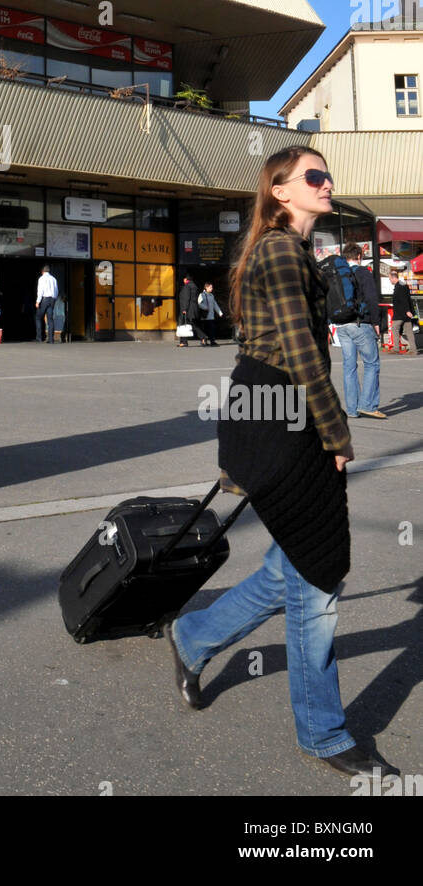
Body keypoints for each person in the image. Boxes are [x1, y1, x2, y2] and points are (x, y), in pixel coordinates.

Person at [164, 146, 398, 780]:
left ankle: (193, 638)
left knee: (297, 567)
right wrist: (337, 434)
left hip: (272, 415)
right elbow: (300, 354)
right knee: (318, 575)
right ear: (280, 191)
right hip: (280, 421)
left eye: (328, 174)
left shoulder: (292, 253)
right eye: (313, 177)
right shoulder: (276, 250)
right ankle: (323, 733)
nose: (327, 184)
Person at [338, 244, 385, 417]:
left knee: (349, 367)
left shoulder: (339, 274)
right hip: (360, 323)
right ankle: (368, 405)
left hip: (342, 326)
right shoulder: (363, 272)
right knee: (372, 363)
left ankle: (351, 409)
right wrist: (376, 322)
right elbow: (372, 298)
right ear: (358, 256)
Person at [388, 269, 418, 354]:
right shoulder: (403, 285)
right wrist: (409, 311)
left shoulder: (399, 287)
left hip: (400, 313)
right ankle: (413, 349)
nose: (390, 281)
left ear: (393, 278)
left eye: (390, 279)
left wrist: (407, 310)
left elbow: (404, 299)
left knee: (394, 328)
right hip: (405, 313)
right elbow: (408, 299)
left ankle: (396, 349)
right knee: (408, 330)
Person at [177, 274, 206, 346]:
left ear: (186, 279)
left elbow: (186, 299)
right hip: (193, 309)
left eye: (184, 279)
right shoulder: (194, 286)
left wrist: (184, 309)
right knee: (191, 324)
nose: (183, 280)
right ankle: (202, 338)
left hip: (188, 309)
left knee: (185, 324)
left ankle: (184, 342)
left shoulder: (187, 287)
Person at [35, 264, 59, 342]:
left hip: (45, 299)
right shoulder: (53, 279)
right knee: (50, 319)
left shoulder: (41, 279)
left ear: (42, 271)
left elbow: (40, 291)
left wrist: (38, 301)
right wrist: (54, 299)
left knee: (38, 317)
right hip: (52, 299)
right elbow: (56, 291)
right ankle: (51, 339)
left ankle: (39, 338)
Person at [196, 281, 223, 346]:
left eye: (212, 287)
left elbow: (215, 304)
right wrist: (206, 308)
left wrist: (220, 312)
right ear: (206, 287)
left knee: (211, 329)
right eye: (210, 287)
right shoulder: (202, 295)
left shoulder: (211, 295)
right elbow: (199, 304)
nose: (212, 288)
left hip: (211, 316)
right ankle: (204, 341)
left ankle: (212, 341)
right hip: (204, 316)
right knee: (205, 330)